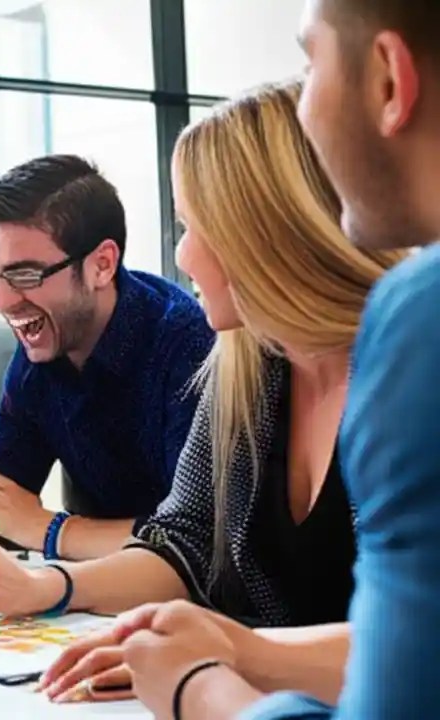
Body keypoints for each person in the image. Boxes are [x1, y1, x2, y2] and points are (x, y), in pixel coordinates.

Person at [0, 80, 408, 701]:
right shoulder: (248, 366)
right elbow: (180, 544)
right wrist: (47, 587)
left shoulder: (405, 370)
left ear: (269, 231)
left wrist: (234, 655)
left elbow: (420, 641)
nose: (180, 255)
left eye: (193, 225)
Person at [102, 2, 440, 719]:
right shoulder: (244, 368)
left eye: (311, 64)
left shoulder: (419, 328)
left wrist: (199, 688)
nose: (180, 254)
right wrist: (236, 651)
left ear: (389, 79)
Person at [0, 155, 214, 560]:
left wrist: (50, 529)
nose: (1, 300)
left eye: (25, 275)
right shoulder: (43, 341)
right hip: (92, 594)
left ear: (102, 265)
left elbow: (196, 540)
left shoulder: (188, 347)